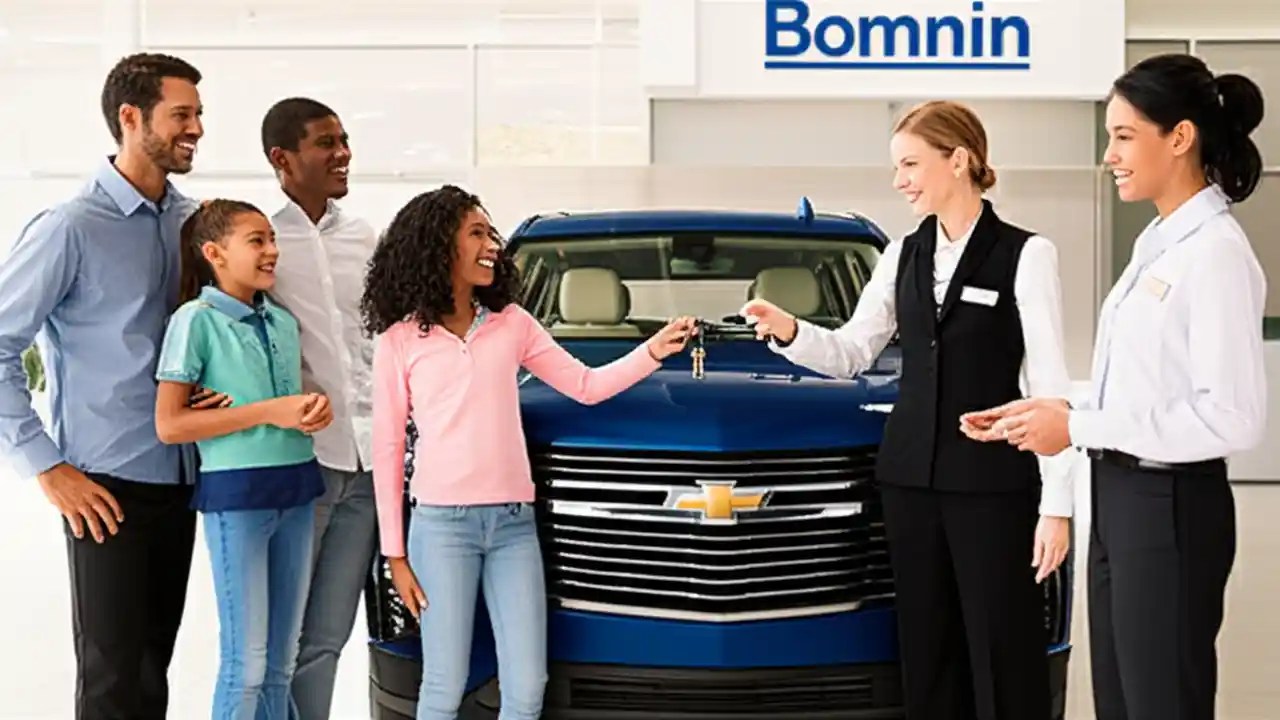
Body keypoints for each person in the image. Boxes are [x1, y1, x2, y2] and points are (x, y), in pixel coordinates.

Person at [741, 100, 1075, 719]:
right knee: (927, 654)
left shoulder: (1027, 255)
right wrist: (790, 330)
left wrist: (1058, 507)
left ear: (960, 160)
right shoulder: (901, 255)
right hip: (910, 486)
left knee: (1005, 650)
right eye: (897, 167)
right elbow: (851, 352)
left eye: (911, 164)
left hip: (993, 488)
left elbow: (1050, 387)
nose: (900, 181)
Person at [962, 54, 1267, 720]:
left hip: (1172, 505)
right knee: (1121, 703)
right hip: (1124, 496)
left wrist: (1079, 428)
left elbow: (1235, 418)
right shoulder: (1159, 242)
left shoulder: (1215, 253)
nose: (1110, 156)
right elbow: (1147, 386)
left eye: (1124, 136)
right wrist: (1055, 409)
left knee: (1161, 703)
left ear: (1179, 137)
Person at [362, 186, 697, 720]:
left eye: (491, 233)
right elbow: (387, 446)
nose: (492, 244)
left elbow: (585, 385)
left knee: (527, 685)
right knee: (444, 683)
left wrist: (651, 351)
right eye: (477, 233)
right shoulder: (401, 341)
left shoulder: (512, 324)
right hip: (441, 529)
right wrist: (395, 555)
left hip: (515, 525)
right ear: (436, 245)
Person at [0, 52, 214, 720]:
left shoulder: (195, 223)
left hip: (182, 477)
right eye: (182, 114)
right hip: (105, 487)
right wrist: (46, 465)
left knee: (154, 668)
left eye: (200, 115)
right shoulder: (69, 228)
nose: (198, 129)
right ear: (130, 118)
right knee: (112, 680)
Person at [154, 199, 333, 718]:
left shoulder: (280, 320)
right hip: (238, 498)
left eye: (272, 239)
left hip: (298, 490)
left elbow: (284, 408)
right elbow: (171, 425)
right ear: (214, 252)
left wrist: (311, 411)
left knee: (281, 665)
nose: (272, 251)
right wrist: (269, 412)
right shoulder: (195, 321)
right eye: (257, 241)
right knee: (247, 666)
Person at [255, 96, 379, 719]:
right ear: (284, 158)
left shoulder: (364, 237)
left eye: (345, 139)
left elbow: (380, 340)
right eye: (326, 143)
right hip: (303, 466)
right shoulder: (261, 242)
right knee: (279, 641)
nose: (343, 154)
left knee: (328, 638)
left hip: (369, 466)